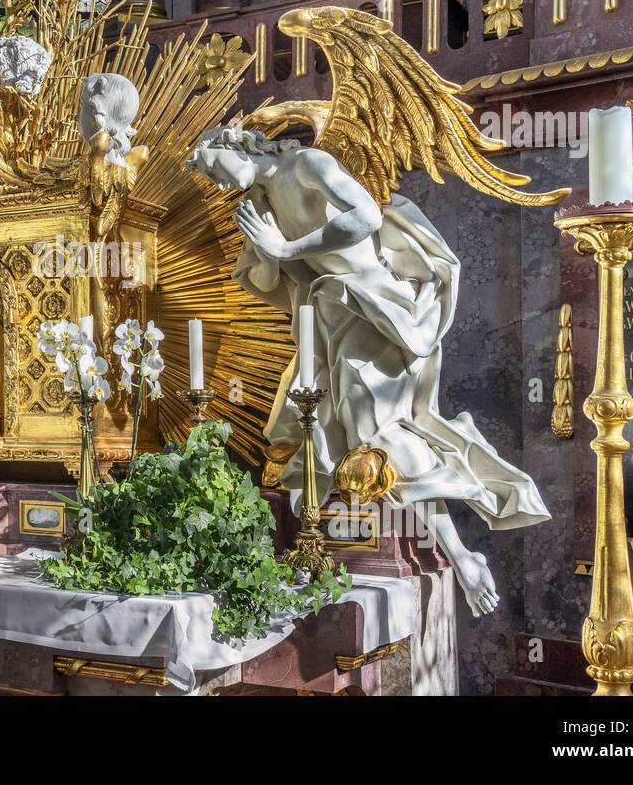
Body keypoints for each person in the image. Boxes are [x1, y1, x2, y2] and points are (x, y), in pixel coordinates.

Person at [189, 124, 550, 616]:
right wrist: (268, 257)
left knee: (371, 428)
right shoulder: (260, 204)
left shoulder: (307, 164)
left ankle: (461, 556)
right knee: (307, 426)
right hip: (328, 318)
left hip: (376, 308)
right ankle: (318, 540)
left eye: (216, 165)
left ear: (241, 146)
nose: (218, 181)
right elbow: (269, 278)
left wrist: (287, 250)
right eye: (209, 176)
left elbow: (363, 214)